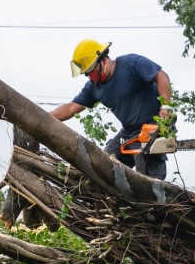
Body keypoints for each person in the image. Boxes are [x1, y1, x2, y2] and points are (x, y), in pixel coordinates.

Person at [49, 39, 173, 180]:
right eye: (88, 74)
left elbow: (162, 76)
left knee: (144, 163)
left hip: (154, 122)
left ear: (103, 61)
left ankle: (151, 200)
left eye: (92, 73)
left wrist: (165, 107)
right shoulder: (94, 87)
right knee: (103, 163)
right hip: (130, 132)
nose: (91, 78)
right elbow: (70, 108)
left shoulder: (131, 63)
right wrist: (42, 117)